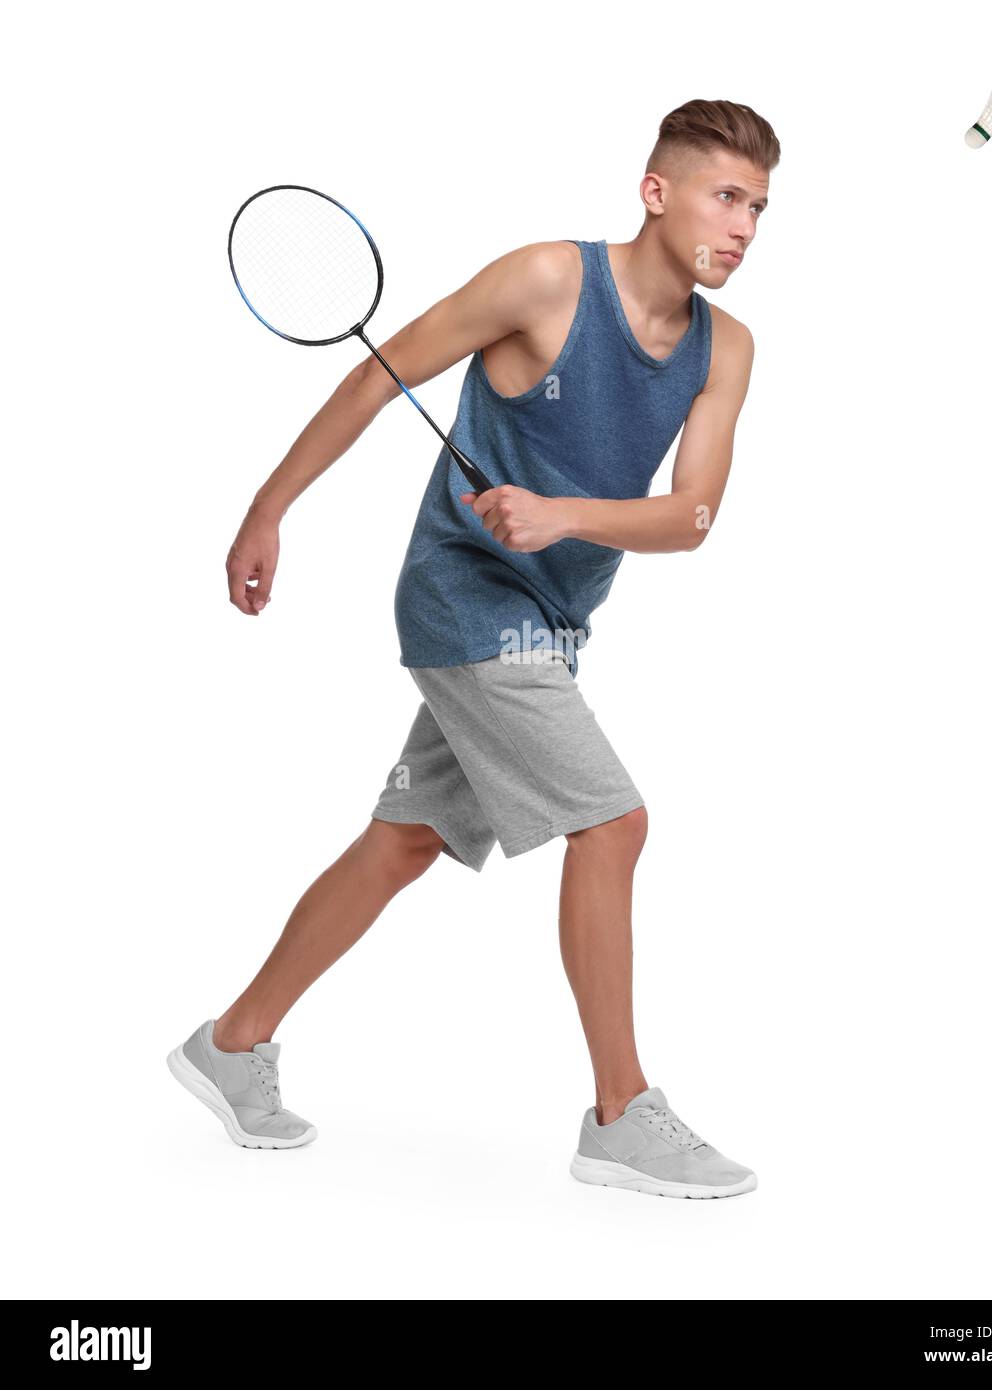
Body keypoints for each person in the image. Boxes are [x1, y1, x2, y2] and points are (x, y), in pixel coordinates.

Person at [168, 97, 778, 1199]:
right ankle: (619, 1111)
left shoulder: (722, 349)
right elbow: (375, 374)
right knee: (613, 821)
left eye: (759, 208)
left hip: (551, 621)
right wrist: (268, 508)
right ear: (656, 192)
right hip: (460, 602)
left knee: (403, 843)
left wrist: (561, 514)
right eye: (724, 196)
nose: (741, 226)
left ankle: (231, 1038)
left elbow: (691, 517)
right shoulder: (546, 280)